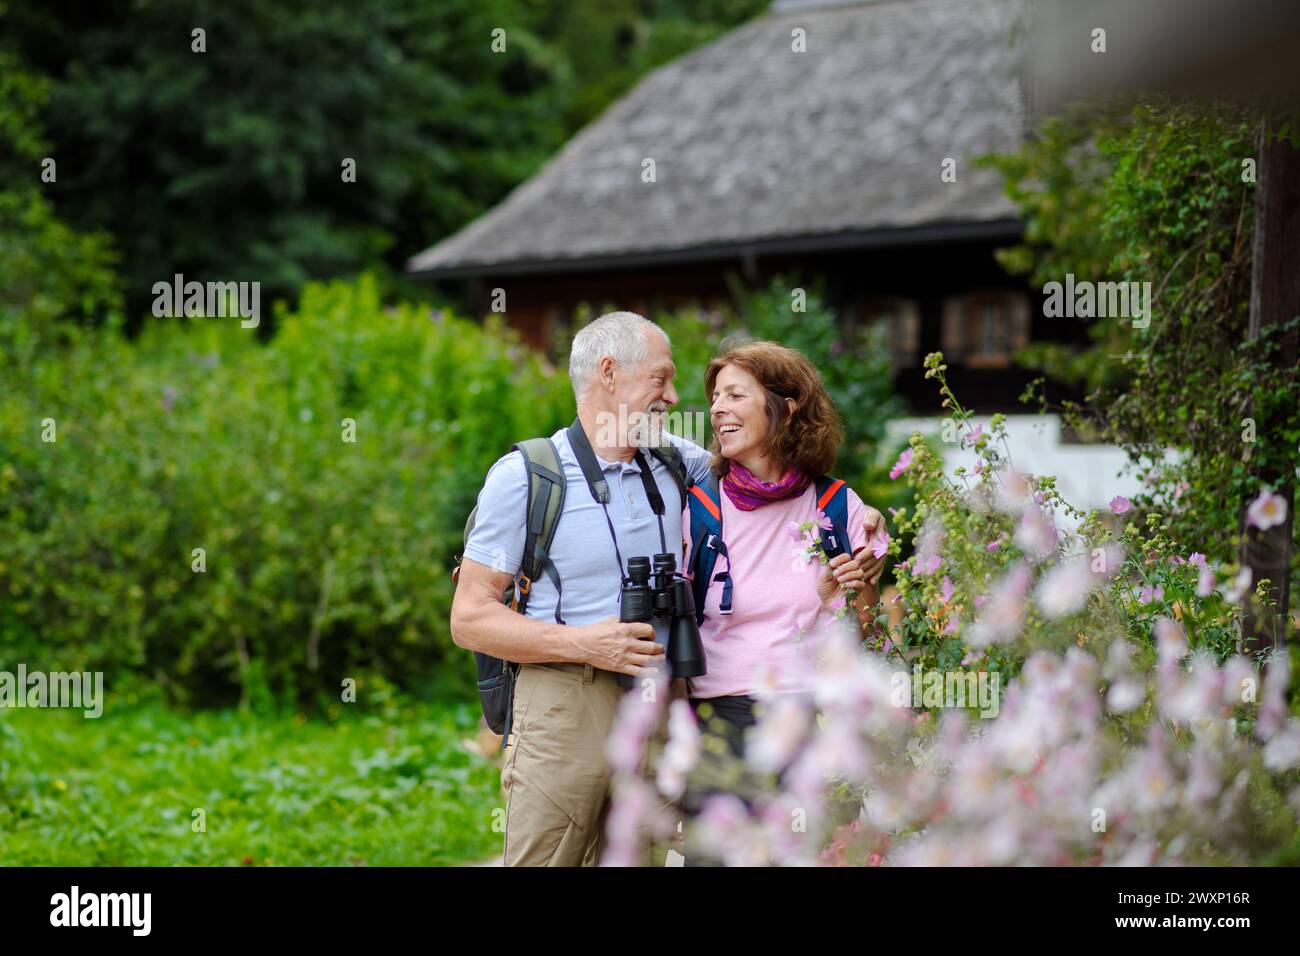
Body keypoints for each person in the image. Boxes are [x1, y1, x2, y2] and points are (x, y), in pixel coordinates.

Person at [449, 310, 714, 866]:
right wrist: (586, 644)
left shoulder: (680, 462)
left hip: (659, 699)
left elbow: (776, 480)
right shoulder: (526, 476)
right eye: (660, 379)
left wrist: (858, 519)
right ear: (610, 372)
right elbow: (469, 618)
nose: (673, 396)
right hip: (564, 697)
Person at [681, 340, 887, 776]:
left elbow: (868, 629)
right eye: (715, 397)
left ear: (787, 409)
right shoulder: (697, 509)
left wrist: (857, 586)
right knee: (726, 845)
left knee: (820, 842)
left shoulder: (837, 505)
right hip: (722, 715)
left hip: (816, 713)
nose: (718, 408)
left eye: (736, 395)